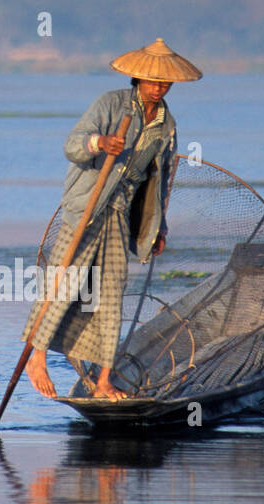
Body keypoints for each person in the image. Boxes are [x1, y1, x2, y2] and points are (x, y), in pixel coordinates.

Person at [23, 38, 201, 402]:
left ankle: (104, 380)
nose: (158, 88)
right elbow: (72, 145)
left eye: (164, 83)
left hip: (121, 211)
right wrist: (99, 143)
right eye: (152, 81)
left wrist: (159, 225)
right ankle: (36, 357)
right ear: (137, 78)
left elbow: (161, 177)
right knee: (65, 279)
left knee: (110, 294)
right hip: (86, 205)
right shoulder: (111, 104)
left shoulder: (166, 124)